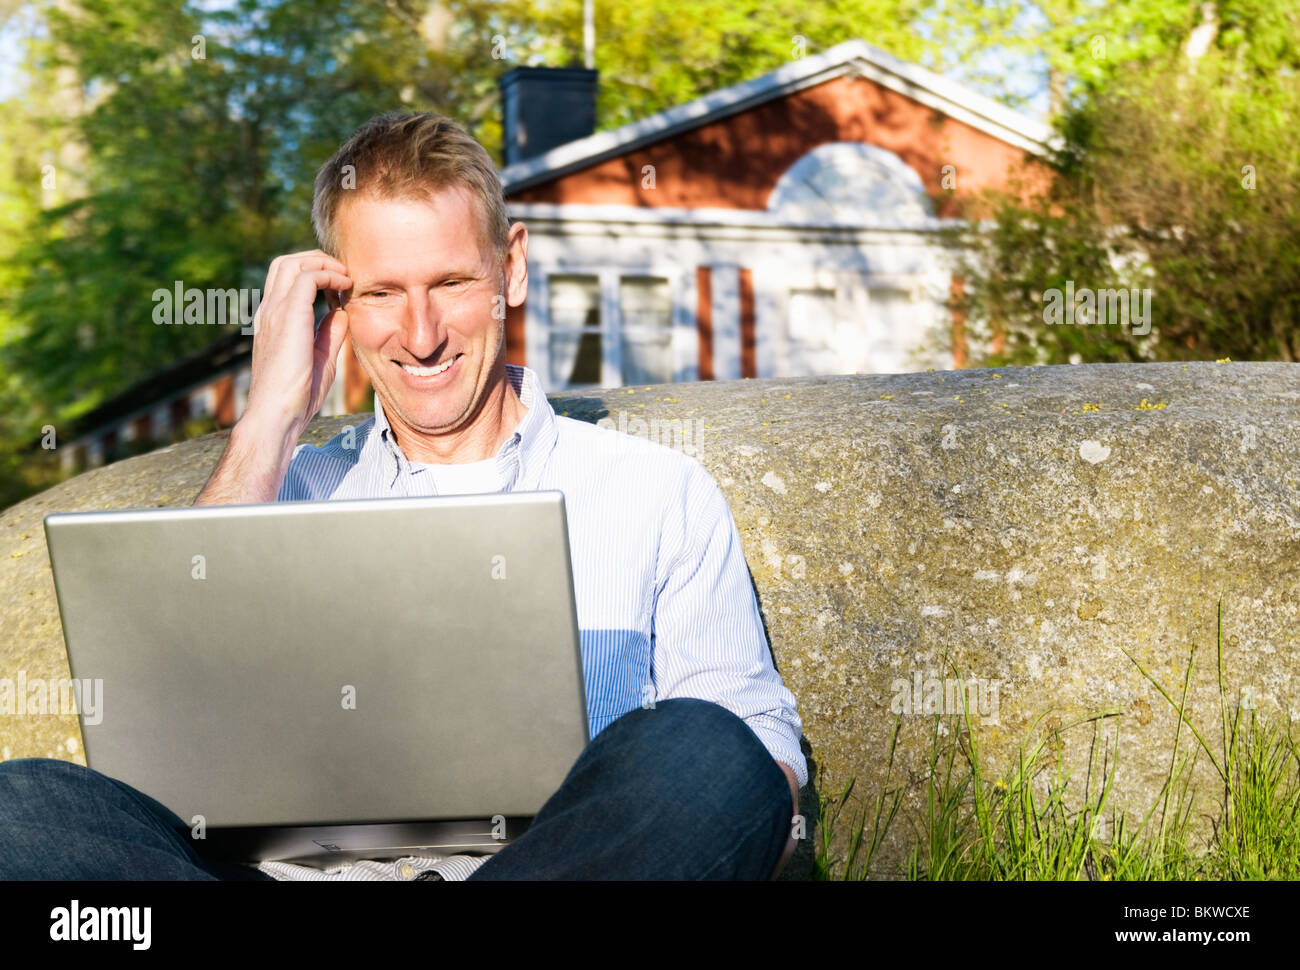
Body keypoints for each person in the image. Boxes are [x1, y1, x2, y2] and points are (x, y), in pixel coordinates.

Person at [0, 112, 806, 881]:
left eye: (451, 282)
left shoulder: (655, 491)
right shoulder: (288, 488)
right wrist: (268, 421)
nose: (420, 336)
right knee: (23, 808)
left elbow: (758, 764)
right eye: (381, 293)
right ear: (338, 305)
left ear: (511, 267)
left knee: (710, 751)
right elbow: (167, 716)